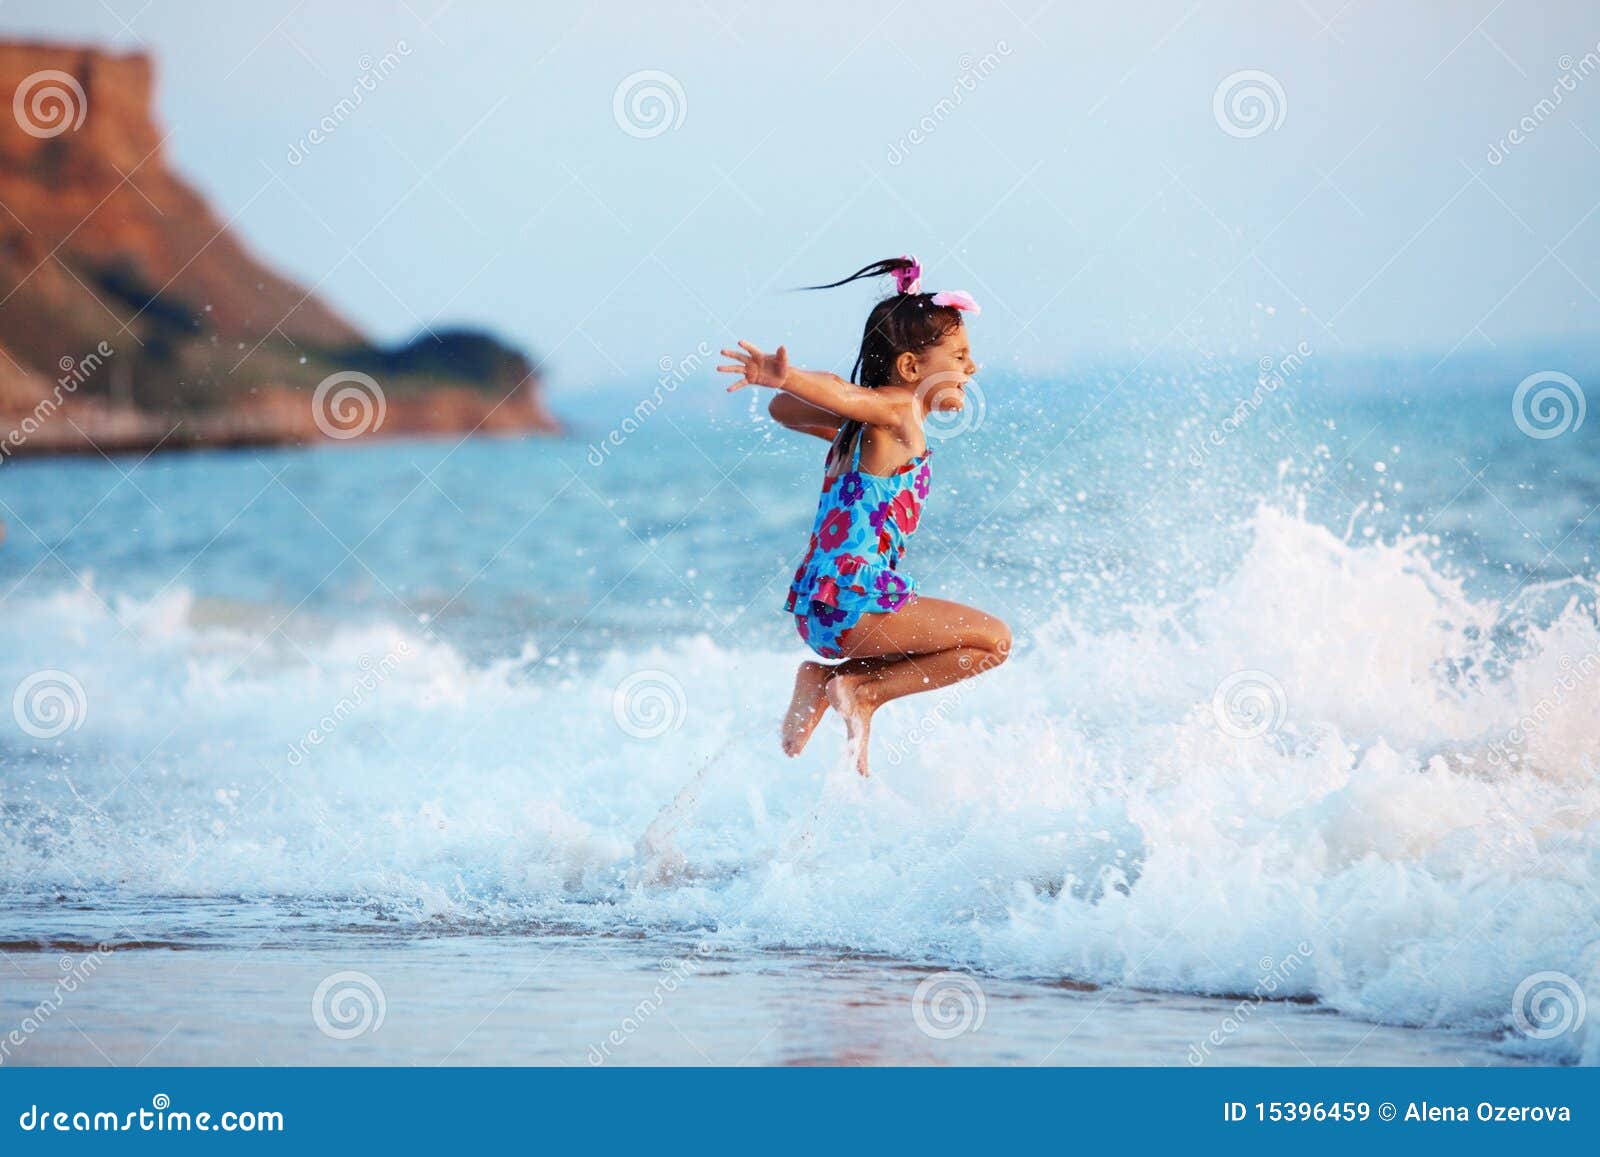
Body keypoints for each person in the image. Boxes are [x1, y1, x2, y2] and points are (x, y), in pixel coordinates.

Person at [719, 256, 1011, 776]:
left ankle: (826, 679)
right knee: (992, 642)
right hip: (853, 604)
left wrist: (797, 392)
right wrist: (789, 377)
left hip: (819, 607)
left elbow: (783, 411)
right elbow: (842, 390)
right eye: (961, 355)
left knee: (976, 638)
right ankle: (862, 688)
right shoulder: (897, 412)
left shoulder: (859, 433)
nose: (972, 368)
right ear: (911, 369)